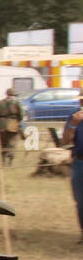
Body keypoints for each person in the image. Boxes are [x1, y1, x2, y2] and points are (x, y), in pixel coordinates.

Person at [61, 93, 83, 242]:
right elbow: (65, 141)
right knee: (80, 201)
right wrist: (73, 124)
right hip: (79, 162)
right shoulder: (75, 116)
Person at [0, 88, 24, 166]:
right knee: (12, 143)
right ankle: (10, 162)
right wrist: (19, 122)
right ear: (14, 95)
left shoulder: (0, 103)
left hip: (1, 124)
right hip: (12, 123)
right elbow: (21, 115)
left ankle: (3, 161)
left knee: (3, 143)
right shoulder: (16, 103)